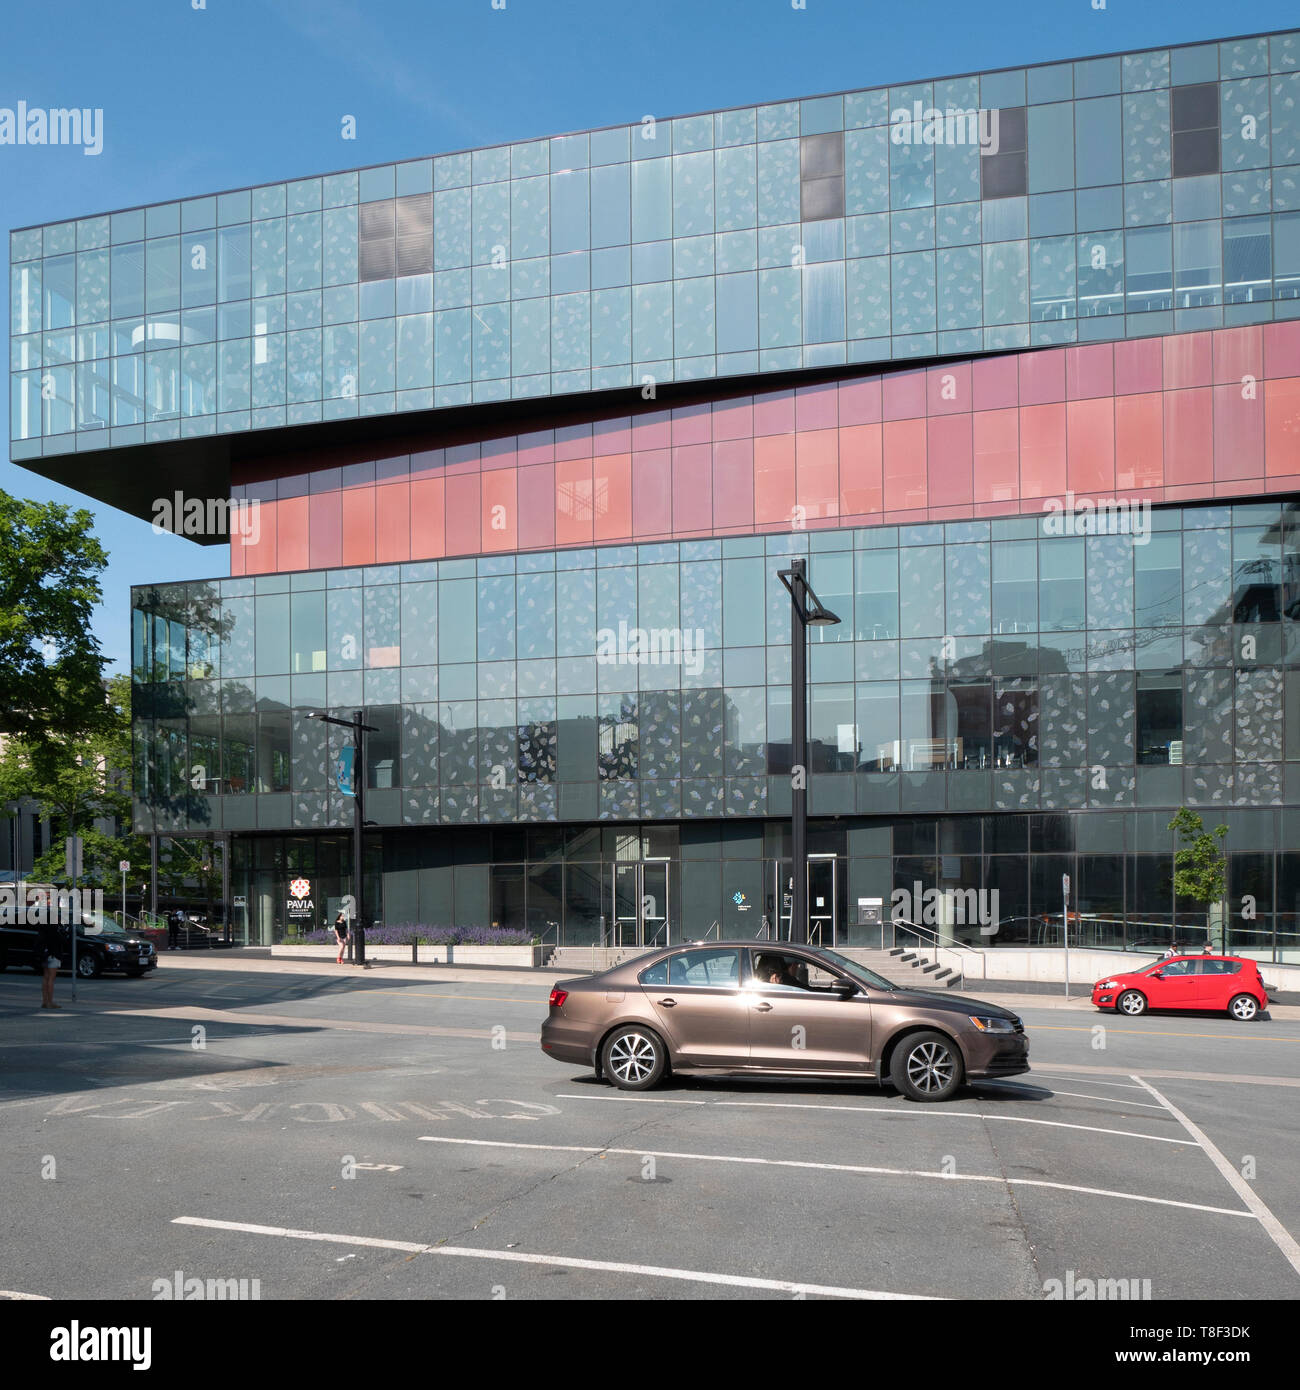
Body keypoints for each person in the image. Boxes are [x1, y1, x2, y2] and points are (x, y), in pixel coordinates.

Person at [36, 918, 62, 1010]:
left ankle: (44, 1001)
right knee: (51, 978)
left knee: (45, 977)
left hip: (44, 954)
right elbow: (59, 941)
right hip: (53, 954)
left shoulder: (42, 927)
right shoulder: (54, 928)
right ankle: (50, 1002)